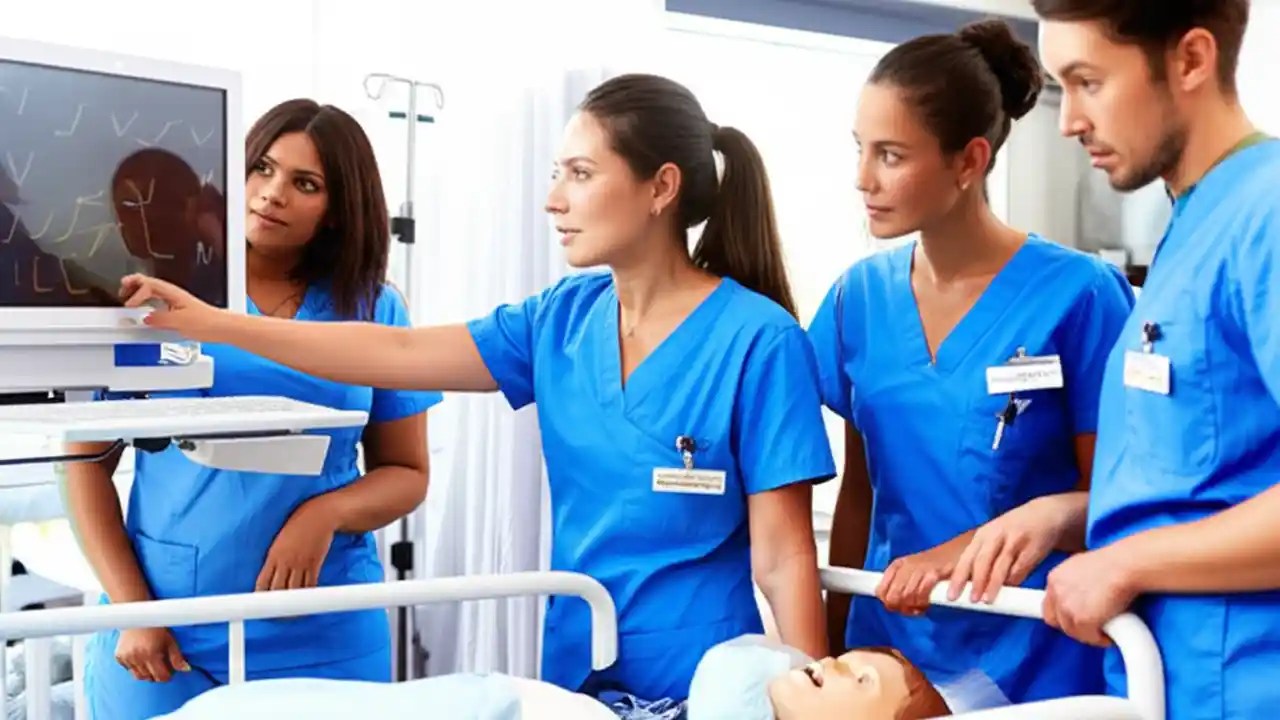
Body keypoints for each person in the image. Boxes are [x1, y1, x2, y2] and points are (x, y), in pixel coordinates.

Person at [112, 73, 836, 704]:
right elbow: (391, 349)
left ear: (662, 187)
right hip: (582, 672)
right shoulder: (563, 319)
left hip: (703, 678)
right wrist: (218, 323)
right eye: (556, 173)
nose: (554, 199)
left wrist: (815, 696)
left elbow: (783, 558)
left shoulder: (758, 340)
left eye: (580, 174)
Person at [66, 99, 442, 719]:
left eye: (306, 183)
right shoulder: (155, 297)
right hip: (166, 624)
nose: (272, 194)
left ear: (337, 210)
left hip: (323, 626)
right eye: (262, 168)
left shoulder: (374, 308)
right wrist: (135, 608)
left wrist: (326, 514)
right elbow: (80, 464)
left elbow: (407, 473)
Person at [807, 18, 1136, 705]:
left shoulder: (1079, 297)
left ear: (969, 160)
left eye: (891, 155)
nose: (862, 179)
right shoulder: (856, 301)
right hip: (889, 648)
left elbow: (1112, 501)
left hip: (1034, 656)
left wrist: (962, 550)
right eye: (859, 150)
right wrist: (832, 646)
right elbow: (861, 493)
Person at [1032, 2, 1280, 718]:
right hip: (1172, 683)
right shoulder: (1195, 220)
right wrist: (1070, 516)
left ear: (1192, 59)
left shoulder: (1264, 213)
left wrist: (1125, 561)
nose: (1068, 120)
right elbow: (1214, 475)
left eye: (1088, 82)